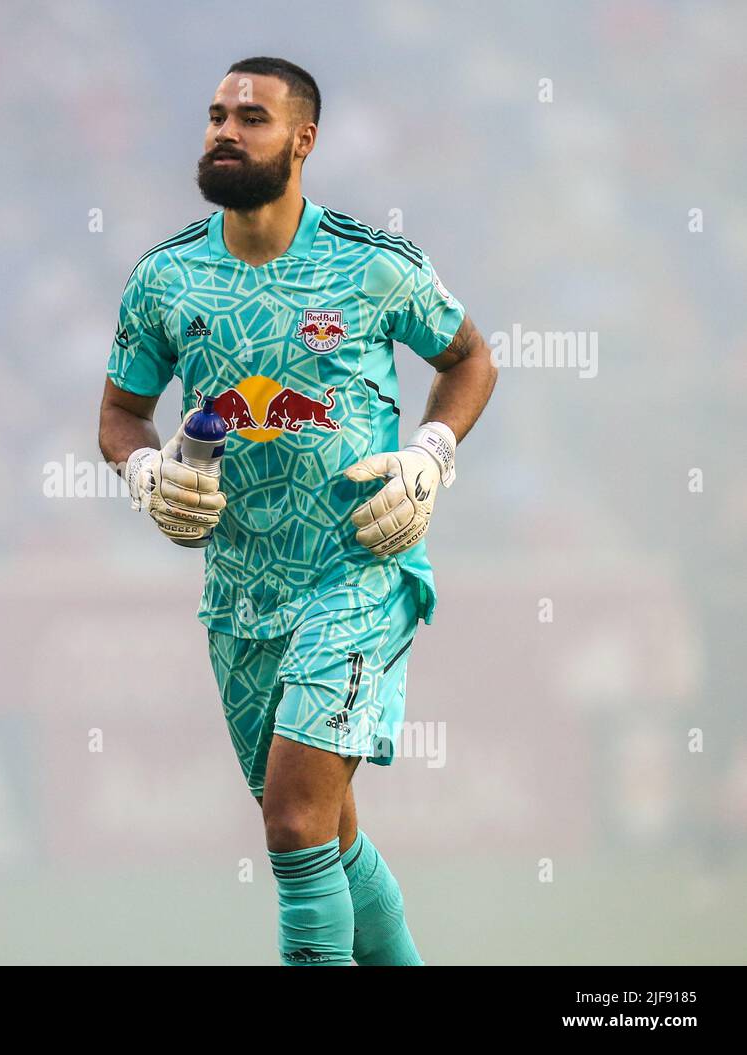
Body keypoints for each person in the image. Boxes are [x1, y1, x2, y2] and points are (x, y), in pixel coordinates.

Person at [99, 57, 498, 965]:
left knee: (291, 820)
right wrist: (145, 475)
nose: (224, 131)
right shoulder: (164, 278)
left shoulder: (372, 263)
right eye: (214, 115)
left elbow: (470, 358)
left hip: (360, 566)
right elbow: (121, 417)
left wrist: (430, 457)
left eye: (252, 117)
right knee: (328, 834)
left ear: (303, 141)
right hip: (240, 592)